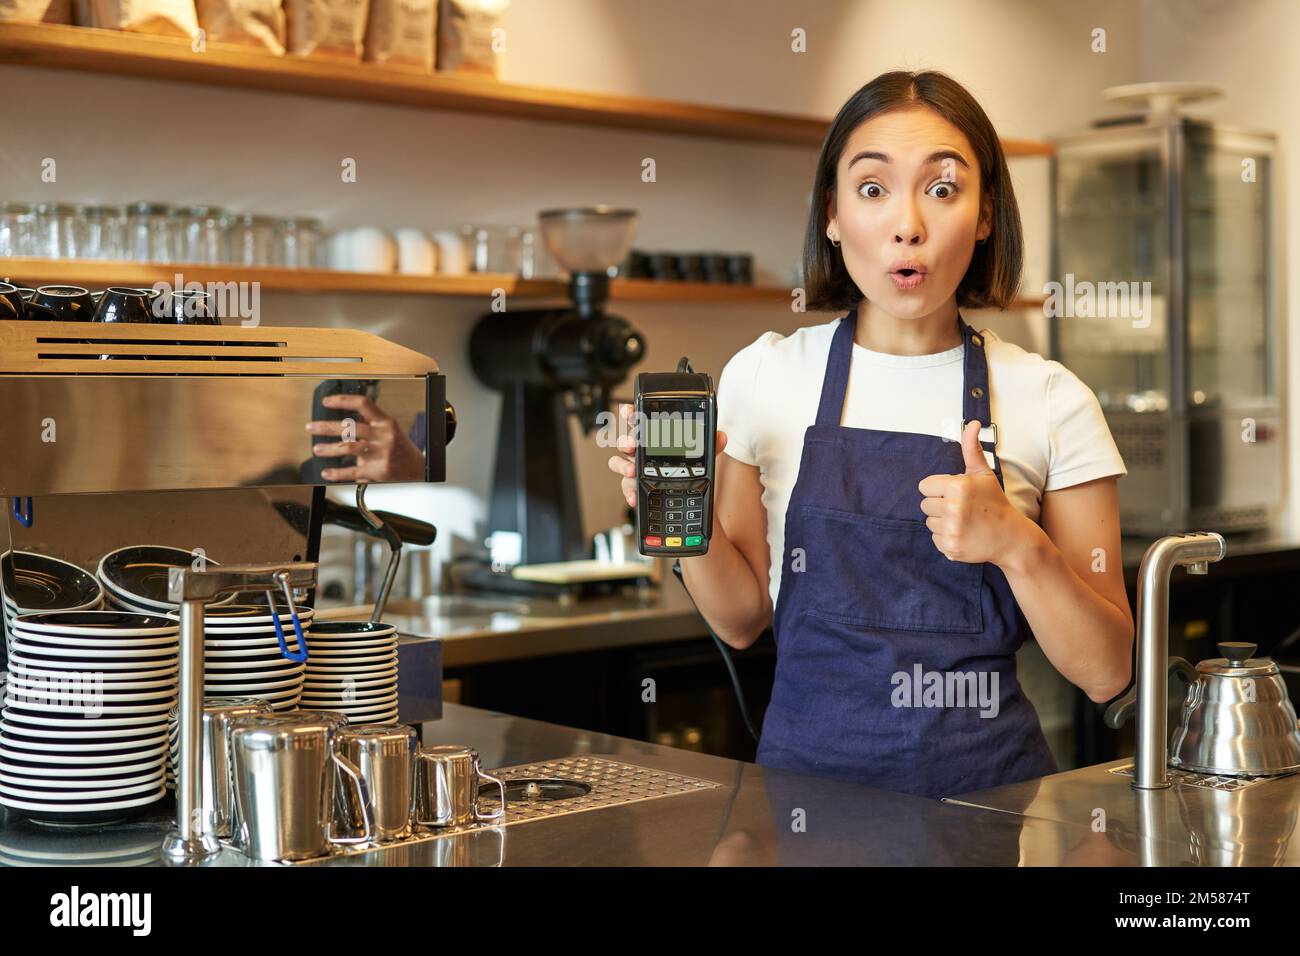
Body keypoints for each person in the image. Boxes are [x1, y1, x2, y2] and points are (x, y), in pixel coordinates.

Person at [606, 70, 1134, 799]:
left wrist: (1018, 544)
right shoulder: (763, 376)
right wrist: (674, 515)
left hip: (984, 806)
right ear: (831, 213)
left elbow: (1106, 670)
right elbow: (739, 618)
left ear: (985, 216)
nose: (907, 223)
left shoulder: (1050, 399)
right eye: (873, 188)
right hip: (803, 806)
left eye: (943, 189)